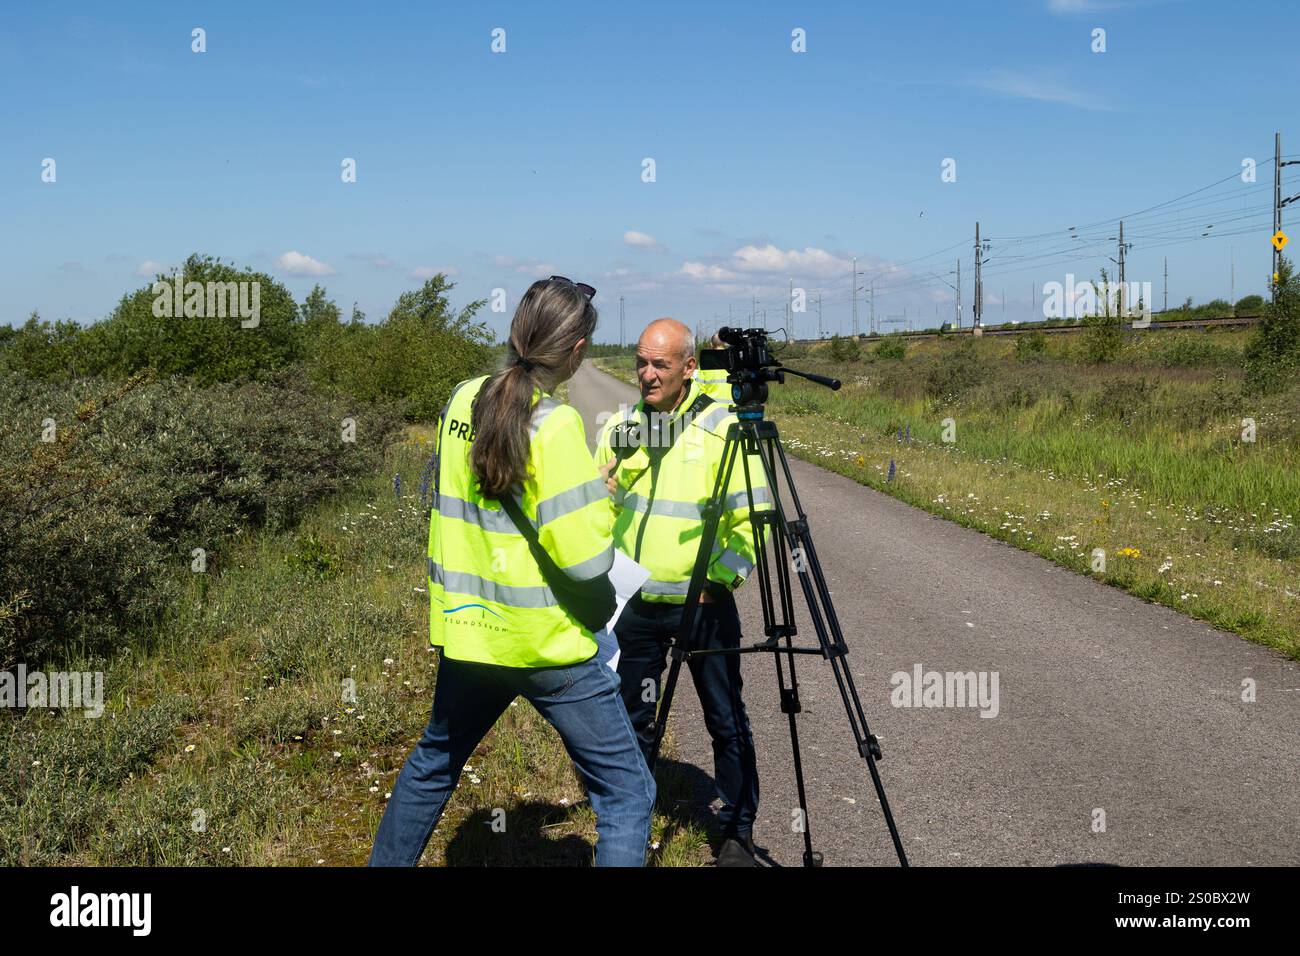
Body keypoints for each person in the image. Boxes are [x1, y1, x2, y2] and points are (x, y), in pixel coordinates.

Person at [370, 277, 655, 867]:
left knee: (433, 766)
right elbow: (586, 560)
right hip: (549, 648)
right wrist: (597, 500)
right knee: (627, 795)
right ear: (576, 354)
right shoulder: (554, 426)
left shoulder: (460, 400)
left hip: (471, 635)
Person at [594, 318, 765, 867]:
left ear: (689, 367)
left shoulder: (723, 428)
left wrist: (722, 579)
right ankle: (629, 826)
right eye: (641, 362)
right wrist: (601, 493)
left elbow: (754, 518)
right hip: (638, 604)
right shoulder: (622, 427)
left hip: (704, 607)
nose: (646, 374)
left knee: (724, 717)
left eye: (659, 364)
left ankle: (736, 830)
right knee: (631, 717)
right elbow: (602, 508)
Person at [692, 330, 733, 403]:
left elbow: (700, 388)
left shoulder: (705, 362)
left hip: (713, 409)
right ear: (724, 343)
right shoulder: (733, 360)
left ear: (711, 344)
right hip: (733, 408)